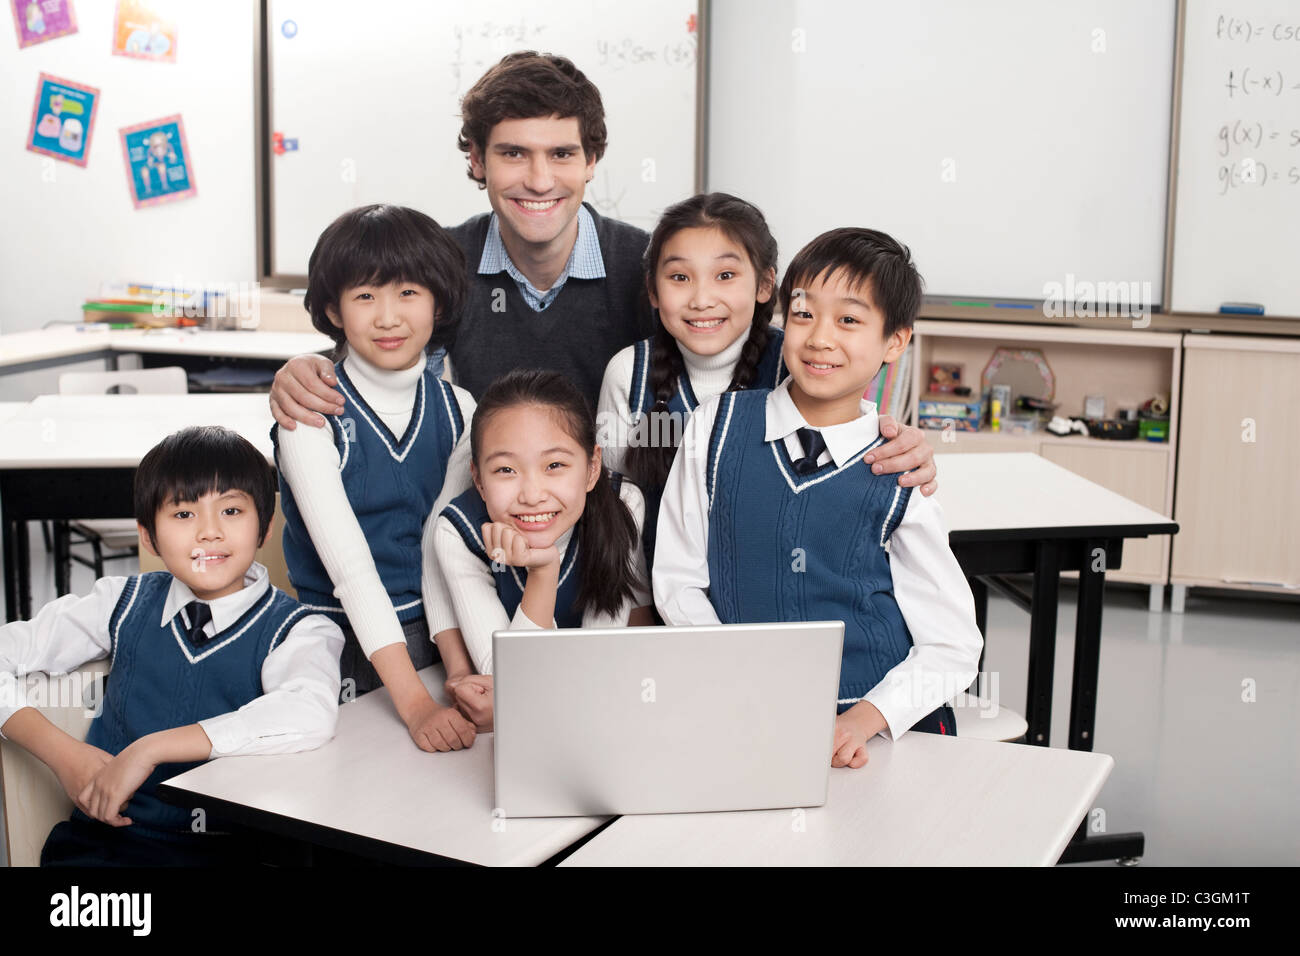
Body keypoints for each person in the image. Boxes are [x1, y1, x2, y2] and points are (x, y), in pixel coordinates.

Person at [265, 53, 942, 501]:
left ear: (594, 159)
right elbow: (373, 375)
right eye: (512, 154)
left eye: (562, 153)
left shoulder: (657, 272)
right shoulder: (431, 267)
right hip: (474, 539)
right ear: (475, 160)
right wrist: (308, 372)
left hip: (629, 549)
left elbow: (781, 373)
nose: (538, 179)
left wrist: (887, 436)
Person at [654, 227, 983, 770]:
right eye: (804, 314)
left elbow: (952, 645)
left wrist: (865, 719)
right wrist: (731, 676)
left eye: (849, 320)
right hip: (742, 712)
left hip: (873, 729)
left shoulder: (898, 468)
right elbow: (677, 579)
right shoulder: (715, 427)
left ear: (895, 342)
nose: (821, 338)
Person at [0, 426, 343, 865]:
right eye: (184, 515)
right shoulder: (120, 603)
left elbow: (308, 713)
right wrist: (63, 754)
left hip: (238, 851)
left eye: (232, 510)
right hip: (112, 846)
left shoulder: (300, 630)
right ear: (148, 536)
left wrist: (151, 749)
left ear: (265, 525)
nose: (210, 533)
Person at [272, 204, 477, 753]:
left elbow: (446, 552)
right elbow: (352, 573)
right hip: (337, 644)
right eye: (365, 296)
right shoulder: (308, 416)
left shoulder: (460, 409)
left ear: (439, 301)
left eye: (408, 293)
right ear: (334, 311)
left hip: (437, 635)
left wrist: (457, 669)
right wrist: (416, 707)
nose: (388, 317)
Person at [432, 370, 654, 731]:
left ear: (592, 468)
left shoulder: (623, 503)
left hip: (598, 721)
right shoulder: (458, 532)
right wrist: (544, 570)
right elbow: (511, 676)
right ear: (478, 479)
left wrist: (516, 703)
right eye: (505, 469)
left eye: (554, 465)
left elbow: (599, 659)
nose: (532, 494)